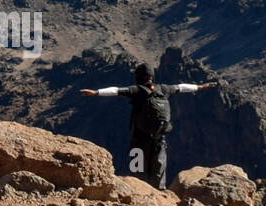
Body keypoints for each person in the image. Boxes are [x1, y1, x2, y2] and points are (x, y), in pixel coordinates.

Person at [81, 63, 214, 190]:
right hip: (159, 134)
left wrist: (96, 92)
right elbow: (181, 87)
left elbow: (116, 90)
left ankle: (136, 186)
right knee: (159, 160)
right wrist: (200, 87)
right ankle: (160, 189)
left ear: (138, 76)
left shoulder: (137, 90)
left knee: (137, 158)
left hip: (140, 136)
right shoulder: (163, 89)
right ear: (152, 76)